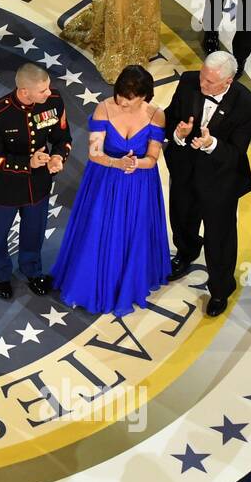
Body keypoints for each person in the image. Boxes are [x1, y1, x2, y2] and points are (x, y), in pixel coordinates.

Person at [51, 65, 168, 315]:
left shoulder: (157, 115)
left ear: (145, 96)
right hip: (104, 180)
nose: (122, 102)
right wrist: (118, 162)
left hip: (139, 184)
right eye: (120, 95)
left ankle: (127, 284)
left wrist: (137, 163)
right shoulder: (103, 109)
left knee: (133, 233)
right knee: (97, 230)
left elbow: (152, 157)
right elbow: (94, 154)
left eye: (129, 97)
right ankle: (88, 285)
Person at [164, 50, 251, 316]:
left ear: (227, 82)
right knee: (182, 216)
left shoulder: (246, 106)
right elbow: (169, 116)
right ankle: (186, 252)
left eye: (210, 82)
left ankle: (220, 289)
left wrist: (211, 144)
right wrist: (178, 133)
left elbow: (235, 153)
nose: (202, 85)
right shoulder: (188, 81)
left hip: (220, 181)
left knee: (220, 238)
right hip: (185, 168)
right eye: (203, 78)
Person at [0, 62, 72, 300]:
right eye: (42, 91)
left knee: (34, 230)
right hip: (5, 188)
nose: (49, 93)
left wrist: (59, 157)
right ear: (24, 91)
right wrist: (26, 163)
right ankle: (0, 275)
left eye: (48, 87)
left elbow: (62, 137)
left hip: (38, 184)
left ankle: (32, 269)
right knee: (0, 235)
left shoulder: (54, 101)